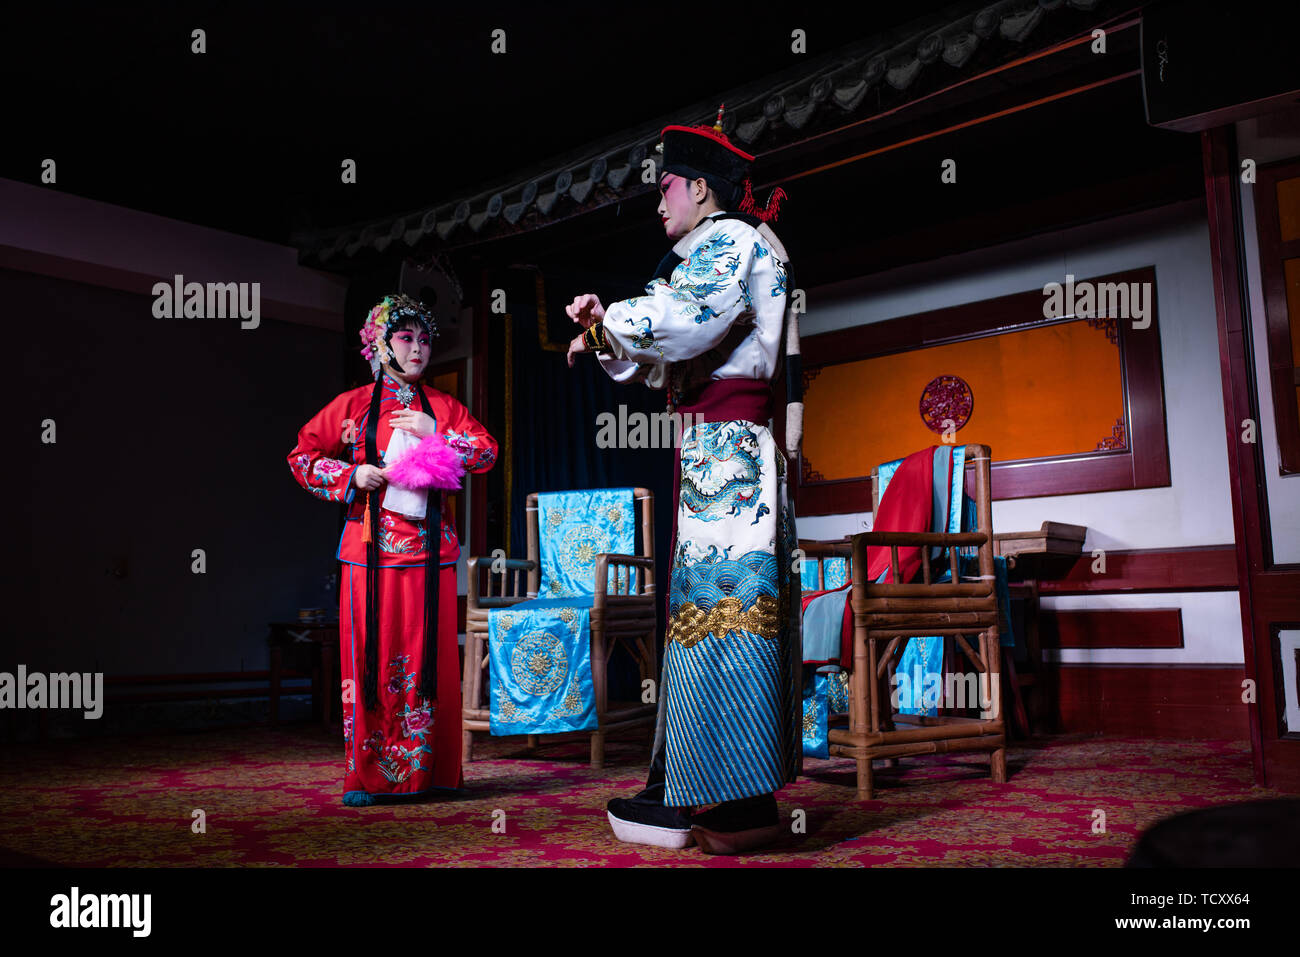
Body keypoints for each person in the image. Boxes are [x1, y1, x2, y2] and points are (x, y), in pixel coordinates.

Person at [566, 110, 803, 854]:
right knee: (714, 608)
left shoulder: (732, 241)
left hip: (730, 452)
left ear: (702, 189)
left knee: (726, 607)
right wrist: (611, 333)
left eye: (665, 185)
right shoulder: (716, 248)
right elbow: (665, 355)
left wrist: (614, 319)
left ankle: (727, 796)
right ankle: (715, 787)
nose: (658, 199)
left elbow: (686, 321)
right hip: (717, 449)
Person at [288, 294, 497, 805]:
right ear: (380, 345)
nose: (418, 349)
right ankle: (368, 775)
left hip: (431, 558)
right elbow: (302, 455)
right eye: (406, 338)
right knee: (370, 659)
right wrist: (351, 473)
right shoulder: (354, 406)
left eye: (425, 340)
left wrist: (437, 433)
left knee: (431, 663)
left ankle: (434, 775)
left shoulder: (444, 408)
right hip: (370, 554)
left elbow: (488, 451)